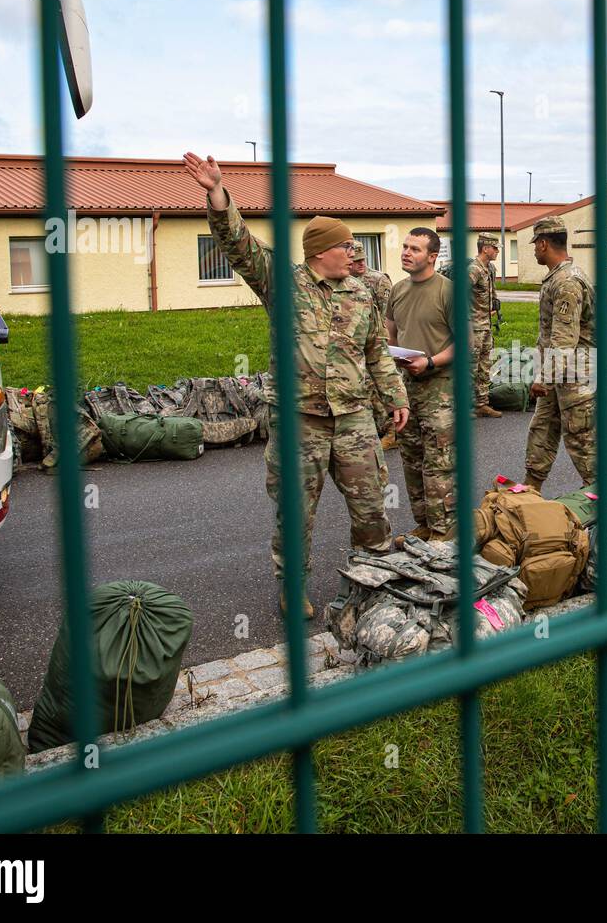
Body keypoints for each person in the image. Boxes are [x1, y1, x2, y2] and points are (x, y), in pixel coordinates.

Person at [182, 152, 408, 619]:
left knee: (371, 509)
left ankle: (371, 583)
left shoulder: (362, 292)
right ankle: (292, 588)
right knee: (296, 514)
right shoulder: (282, 281)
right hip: (299, 421)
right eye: (346, 246)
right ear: (321, 250)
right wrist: (216, 194)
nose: (353, 253)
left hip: (353, 419)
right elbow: (238, 242)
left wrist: (395, 396)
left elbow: (376, 353)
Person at [387, 227, 457, 542]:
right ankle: (424, 525)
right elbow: (391, 335)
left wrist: (429, 362)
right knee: (412, 459)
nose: (406, 252)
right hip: (407, 387)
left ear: (432, 257)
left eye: (415, 249)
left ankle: (444, 531)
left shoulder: (448, 291)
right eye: (405, 246)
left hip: (440, 387)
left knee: (439, 462)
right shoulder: (397, 290)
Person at [524, 216, 597, 489]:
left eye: (535, 245)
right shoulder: (560, 276)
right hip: (558, 372)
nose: (533, 250)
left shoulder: (566, 282)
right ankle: (531, 487)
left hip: (575, 374)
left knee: (581, 440)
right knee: (542, 428)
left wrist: (545, 378)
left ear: (544, 244)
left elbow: (564, 340)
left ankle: (603, 498)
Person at [350, 241, 397, 449]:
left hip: (376, 340)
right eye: (356, 260)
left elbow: (389, 313)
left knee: (377, 385)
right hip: (353, 342)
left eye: (363, 260)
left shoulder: (378, 279)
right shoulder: (343, 281)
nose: (360, 264)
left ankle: (392, 430)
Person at [469, 233, 502, 418]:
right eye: (495, 248)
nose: (497, 251)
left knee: (484, 366)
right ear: (485, 248)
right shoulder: (473, 270)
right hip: (473, 326)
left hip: (486, 325)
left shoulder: (489, 268)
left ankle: (481, 404)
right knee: (470, 367)